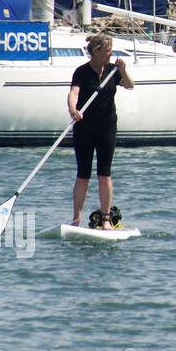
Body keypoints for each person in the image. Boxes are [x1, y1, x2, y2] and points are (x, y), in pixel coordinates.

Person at [67, 34, 134, 228]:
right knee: (83, 175)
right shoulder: (81, 72)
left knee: (104, 174)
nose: (111, 54)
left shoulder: (114, 70)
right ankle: (76, 219)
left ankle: (106, 219)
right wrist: (73, 110)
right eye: (107, 51)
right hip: (84, 129)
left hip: (107, 128)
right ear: (96, 53)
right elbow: (73, 93)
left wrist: (123, 70)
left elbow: (130, 86)